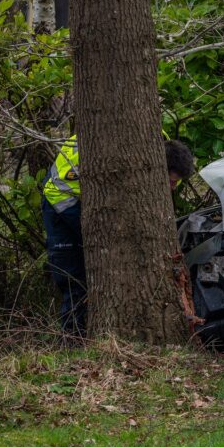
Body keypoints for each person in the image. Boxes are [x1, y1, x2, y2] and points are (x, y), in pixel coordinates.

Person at [41, 134, 195, 338]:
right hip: (61, 201)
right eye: (171, 181)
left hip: (87, 198)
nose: (171, 188)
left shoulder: (157, 141)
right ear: (156, 169)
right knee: (74, 279)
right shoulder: (117, 156)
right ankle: (71, 340)